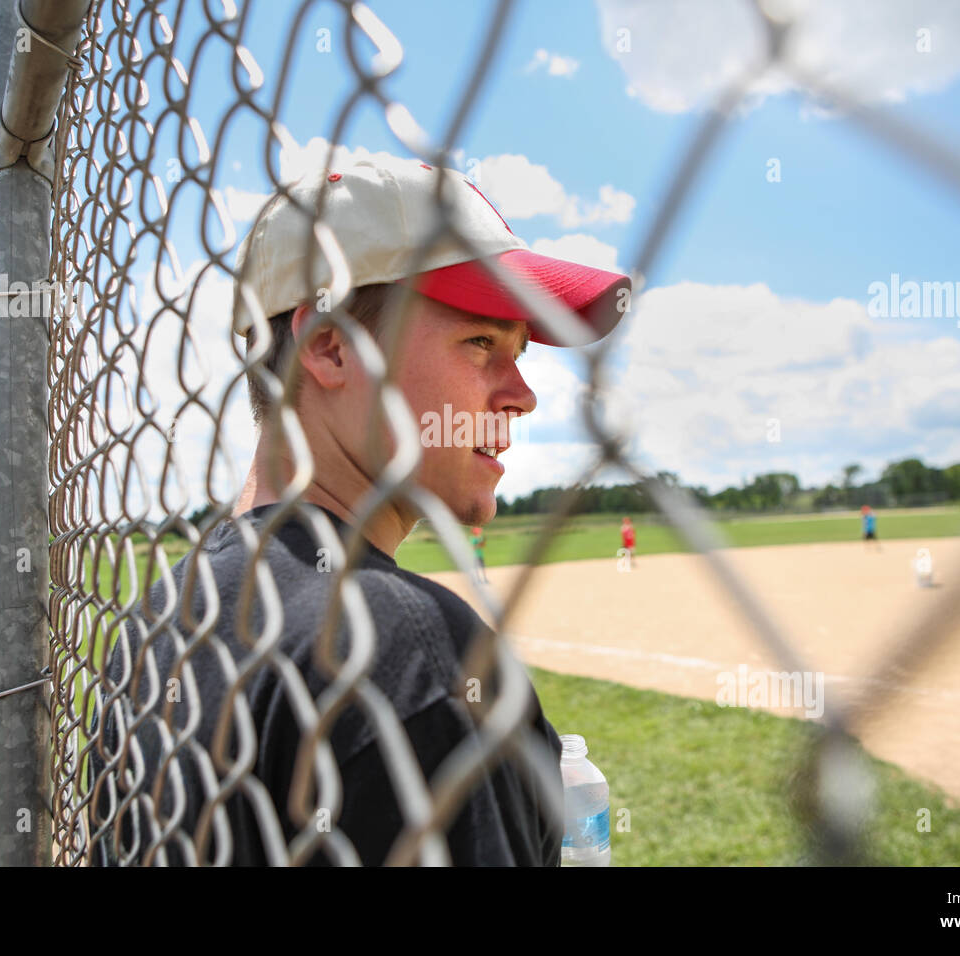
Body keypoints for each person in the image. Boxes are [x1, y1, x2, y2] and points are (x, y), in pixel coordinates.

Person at [86, 155, 632, 866]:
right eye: (481, 343)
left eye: (521, 351)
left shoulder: (164, 614)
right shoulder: (404, 650)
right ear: (331, 347)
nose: (523, 395)